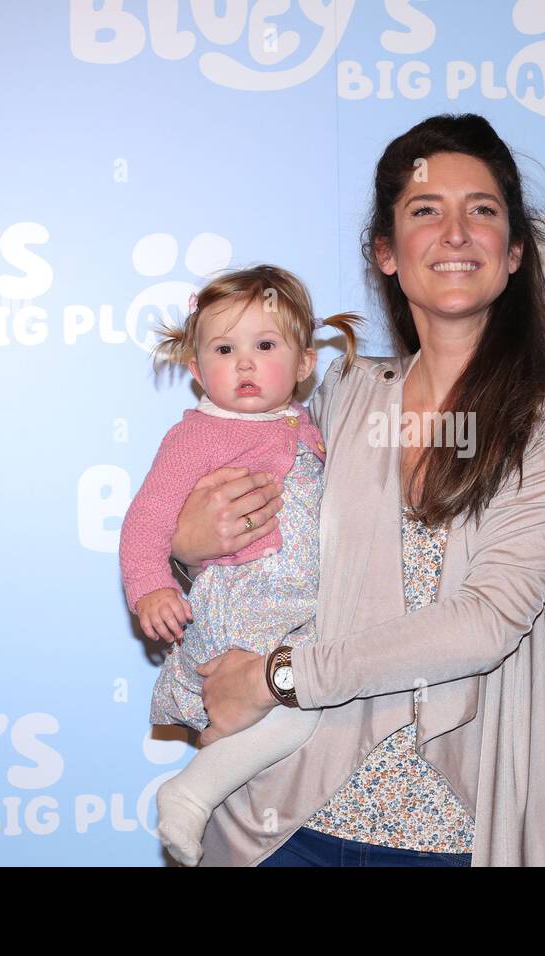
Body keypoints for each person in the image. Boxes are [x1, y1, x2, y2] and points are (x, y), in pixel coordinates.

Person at [170, 113, 545, 867]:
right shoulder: (338, 399)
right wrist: (186, 545)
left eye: (481, 209)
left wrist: (278, 678)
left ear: (513, 254)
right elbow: (247, 560)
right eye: (423, 210)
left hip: (461, 835)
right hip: (286, 824)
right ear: (385, 251)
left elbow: (483, 625)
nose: (454, 233)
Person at [118, 263, 360, 865]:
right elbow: (147, 519)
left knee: (311, 701)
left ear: (305, 362)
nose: (245, 363)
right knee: (302, 709)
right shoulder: (197, 436)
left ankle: (208, 777)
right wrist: (151, 587)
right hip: (244, 603)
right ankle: (193, 793)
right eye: (225, 349)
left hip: (301, 613)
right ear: (198, 370)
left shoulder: (310, 427)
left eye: (265, 345)